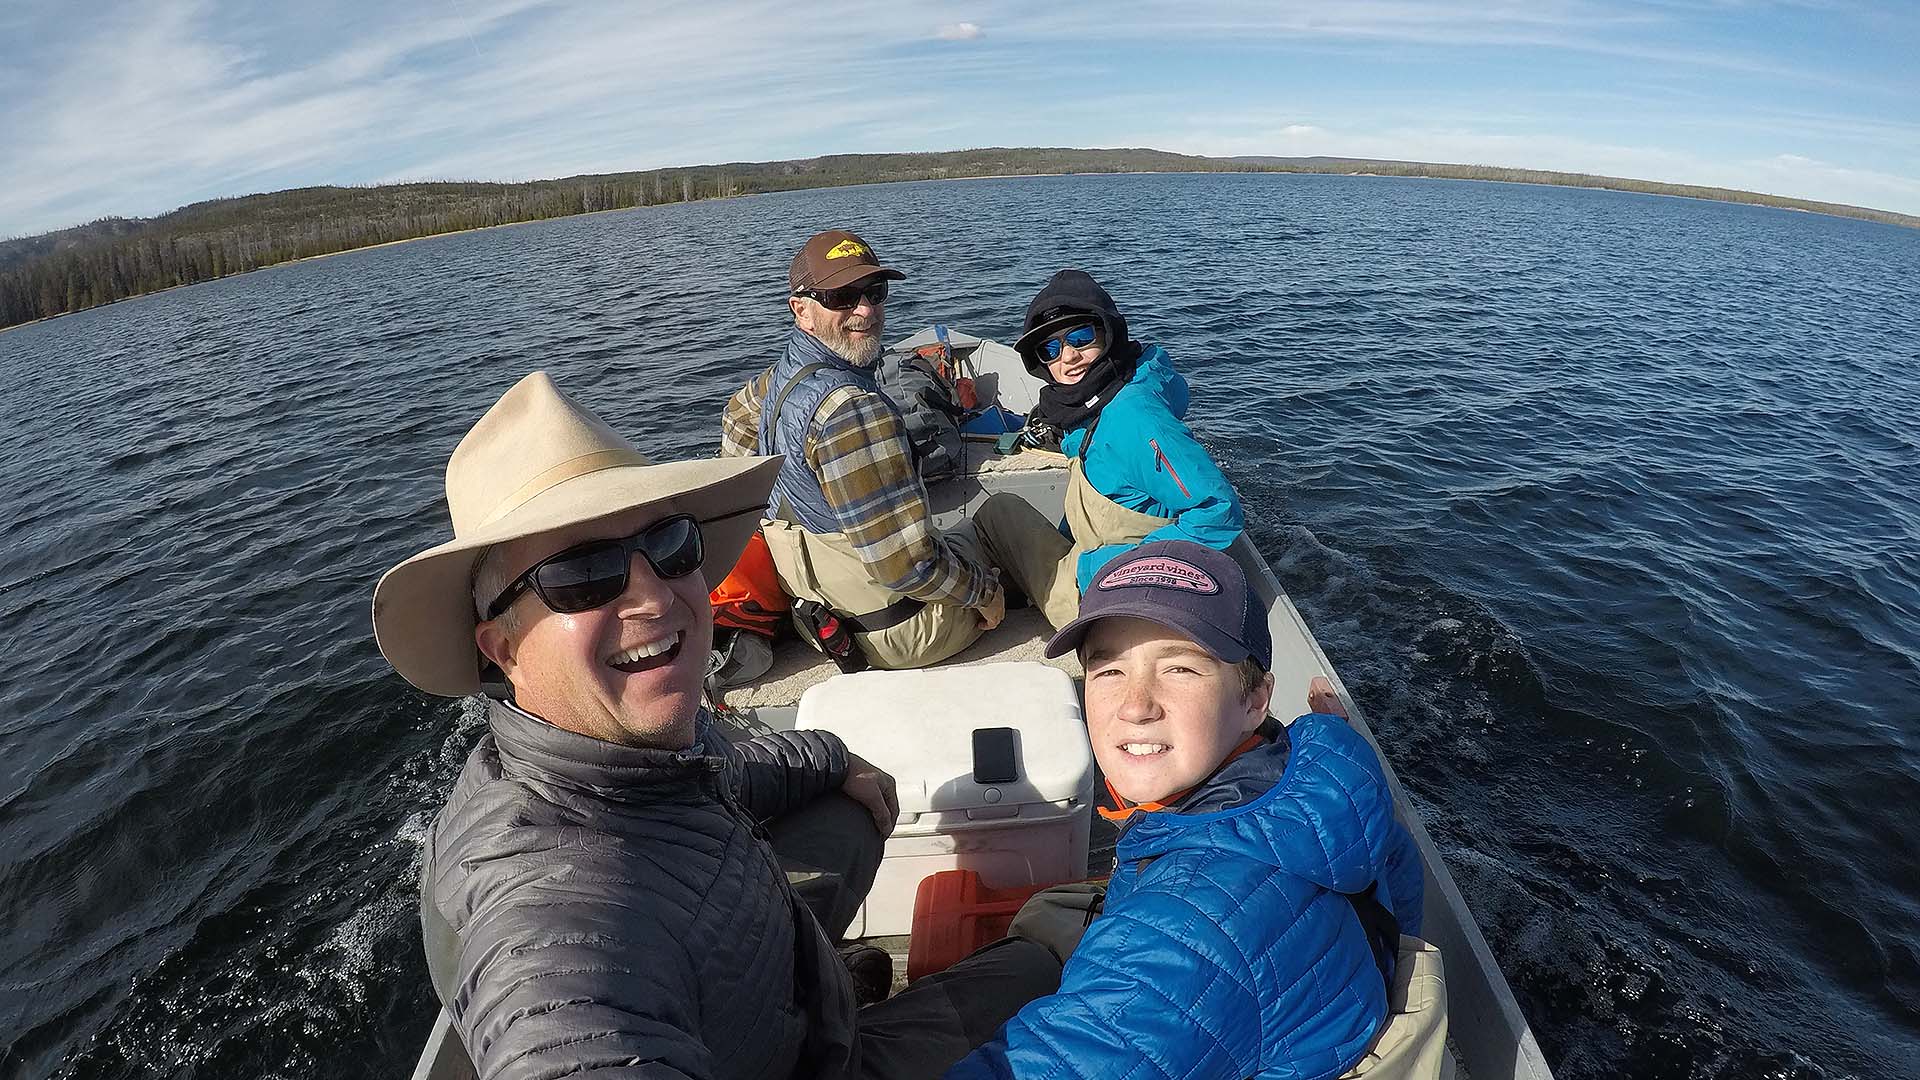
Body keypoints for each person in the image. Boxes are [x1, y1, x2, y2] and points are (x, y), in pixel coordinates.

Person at [373, 371, 1059, 1079]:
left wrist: (833, 758)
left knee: (845, 807)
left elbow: (719, 770)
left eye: (668, 546)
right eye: (581, 574)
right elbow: (560, 1020)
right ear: (504, 648)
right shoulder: (546, 923)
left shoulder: (612, 747)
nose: (652, 595)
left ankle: (824, 982)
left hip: (763, 999)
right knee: (1054, 968)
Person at [946, 540, 1441, 1080]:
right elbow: (1400, 887)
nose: (1135, 705)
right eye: (1107, 670)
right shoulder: (1312, 784)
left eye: (1180, 669)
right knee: (1048, 914)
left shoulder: (1193, 929)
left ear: (1254, 700)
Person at [719, 229, 1007, 669]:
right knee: (1005, 518)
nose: (866, 310)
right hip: (898, 632)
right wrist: (984, 594)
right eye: (841, 298)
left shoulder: (773, 383)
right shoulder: (854, 413)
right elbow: (906, 567)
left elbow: (735, 435)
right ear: (802, 311)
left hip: (819, 622)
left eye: (875, 291)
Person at [975, 270, 1244, 629]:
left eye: (1081, 337)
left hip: (1111, 593)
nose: (1067, 357)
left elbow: (1219, 512)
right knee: (1006, 514)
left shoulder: (1132, 417)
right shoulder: (1091, 404)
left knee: (995, 513)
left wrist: (1101, 566)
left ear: (1109, 333)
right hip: (1102, 567)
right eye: (1050, 349)